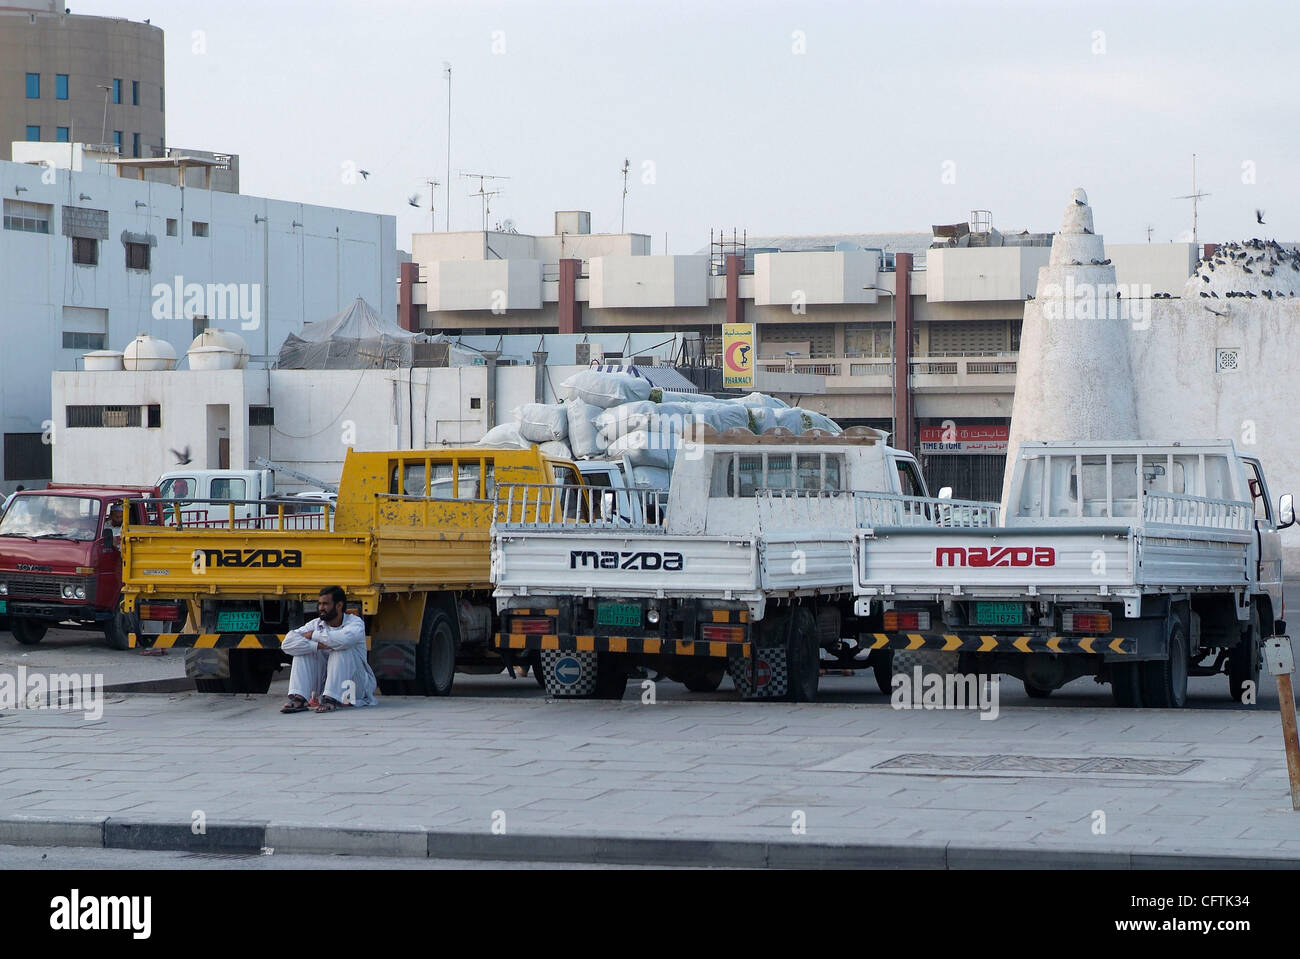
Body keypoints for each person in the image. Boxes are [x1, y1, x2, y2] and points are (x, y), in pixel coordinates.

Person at [279, 586, 376, 713]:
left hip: (352, 690)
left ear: (339, 605)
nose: (321, 608)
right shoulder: (316, 624)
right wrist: (316, 646)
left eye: (325, 604)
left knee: (340, 650)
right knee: (303, 651)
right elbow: (287, 644)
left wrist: (312, 635)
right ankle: (300, 698)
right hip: (324, 690)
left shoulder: (355, 623)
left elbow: (343, 641)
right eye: (319, 604)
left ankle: (331, 700)